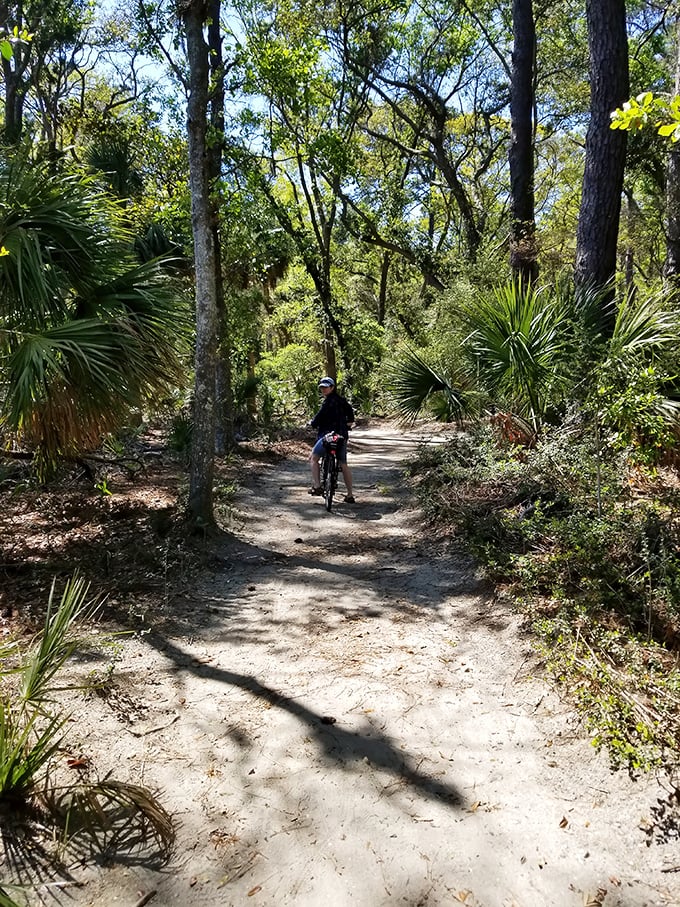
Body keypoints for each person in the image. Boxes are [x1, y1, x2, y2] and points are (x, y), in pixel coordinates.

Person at [308, 376, 355, 503]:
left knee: (313, 458)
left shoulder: (328, 402)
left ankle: (317, 487)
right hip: (341, 437)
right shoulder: (342, 401)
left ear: (332, 387)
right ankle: (350, 494)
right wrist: (348, 424)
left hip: (327, 436)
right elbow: (350, 414)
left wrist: (312, 423)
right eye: (322, 387)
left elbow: (319, 417)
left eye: (326, 387)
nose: (323, 389)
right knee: (343, 464)